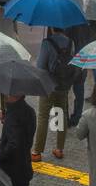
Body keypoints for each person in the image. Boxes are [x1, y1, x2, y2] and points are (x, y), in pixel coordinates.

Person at [32, 26, 75, 161]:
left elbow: (40, 66)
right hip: (63, 85)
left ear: (51, 27)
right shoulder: (70, 43)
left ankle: (37, 152)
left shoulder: (47, 43)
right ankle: (59, 149)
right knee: (61, 115)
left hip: (48, 86)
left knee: (43, 117)